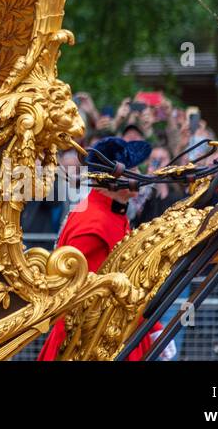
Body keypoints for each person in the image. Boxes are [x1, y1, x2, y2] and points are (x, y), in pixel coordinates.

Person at [38, 137, 163, 360]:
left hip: (115, 333)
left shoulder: (110, 213)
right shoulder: (94, 223)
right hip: (93, 343)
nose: (138, 173)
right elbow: (92, 297)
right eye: (131, 169)